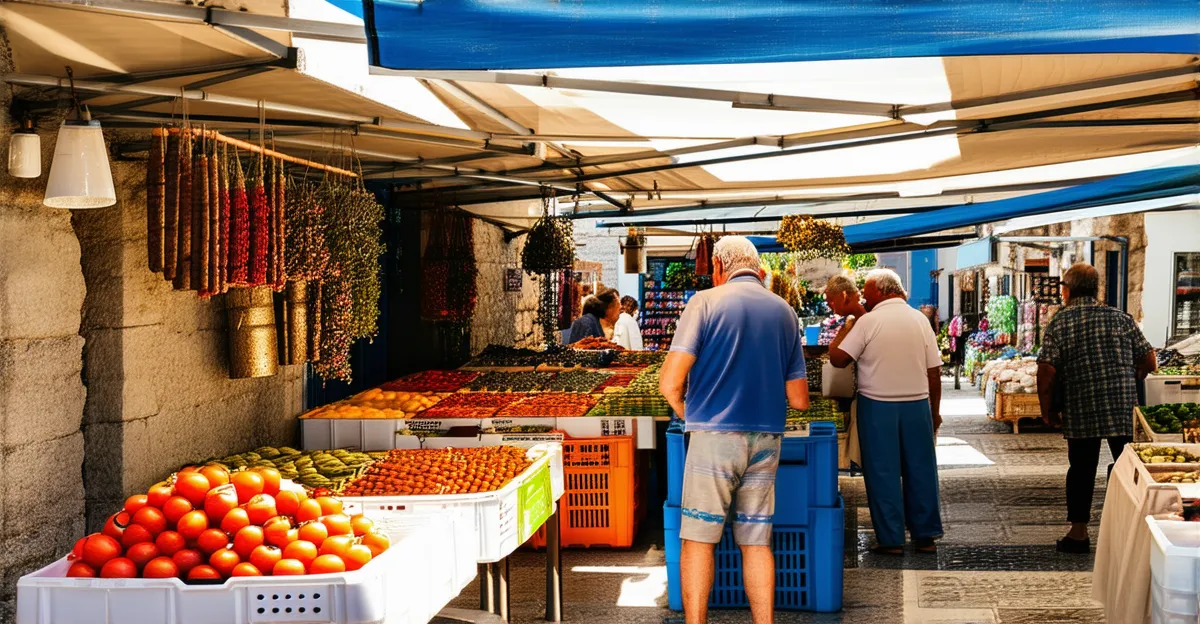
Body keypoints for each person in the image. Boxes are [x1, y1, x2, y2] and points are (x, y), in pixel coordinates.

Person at [659, 236, 810, 624]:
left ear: (719, 268)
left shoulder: (705, 303)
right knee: (757, 541)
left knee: (697, 539)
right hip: (767, 438)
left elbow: (670, 383)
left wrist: (690, 412)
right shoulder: (785, 312)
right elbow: (800, 400)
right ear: (758, 270)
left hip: (713, 437)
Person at [1037, 263, 1156, 554]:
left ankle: (1079, 534)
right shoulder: (1121, 318)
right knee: (1130, 467)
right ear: (1095, 289)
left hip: (1081, 405)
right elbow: (1149, 360)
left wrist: (1047, 409)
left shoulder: (1061, 322)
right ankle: (1134, 529)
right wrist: (1128, 378)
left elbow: (1046, 370)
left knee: (1081, 469)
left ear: (1067, 290)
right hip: (1121, 406)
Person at [828, 269, 943, 555]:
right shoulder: (920, 320)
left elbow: (838, 359)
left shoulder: (868, 322)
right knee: (921, 470)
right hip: (917, 405)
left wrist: (847, 327)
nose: (864, 296)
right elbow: (934, 372)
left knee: (882, 473)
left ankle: (891, 540)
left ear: (881, 290)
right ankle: (925, 536)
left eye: (866, 291)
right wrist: (935, 411)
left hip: (877, 406)